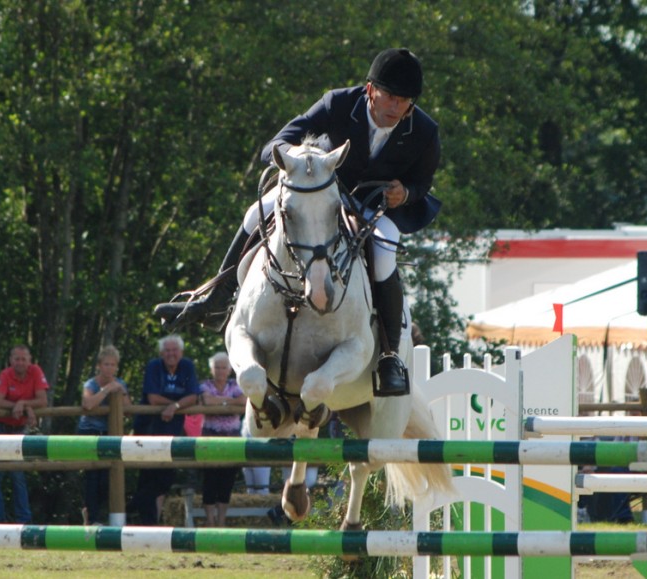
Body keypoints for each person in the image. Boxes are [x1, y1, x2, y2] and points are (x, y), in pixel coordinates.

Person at [154, 48, 441, 397]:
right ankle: (215, 299)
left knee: (384, 253)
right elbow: (277, 143)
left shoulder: (424, 130)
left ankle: (389, 355)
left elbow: (423, 181)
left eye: (404, 101)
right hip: (317, 194)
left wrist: (406, 193)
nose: (396, 107)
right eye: (390, 97)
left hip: (372, 206)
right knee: (253, 213)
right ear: (370, 90)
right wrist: (299, 161)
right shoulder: (337, 103)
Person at [130, 335, 199, 525]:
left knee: (165, 478)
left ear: (181, 352)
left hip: (172, 429)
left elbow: (193, 396)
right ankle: (146, 521)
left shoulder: (187, 366)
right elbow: (152, 398)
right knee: (148, 476)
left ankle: (138, 509)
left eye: (174, 350)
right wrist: (176, 405)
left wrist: (174, 407)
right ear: (161, 353)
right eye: (167, 350)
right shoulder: (154, 366)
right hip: (149, 428)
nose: (171, 354)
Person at [0, 344, 49, 524]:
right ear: (10, 360)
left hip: (18, 429)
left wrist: (23, 404)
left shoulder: (35, 371)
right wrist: (22, 406)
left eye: (23, 359)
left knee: (18, 475)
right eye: (17, 359)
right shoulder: (5, 374)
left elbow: (43, 400)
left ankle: (24, 520)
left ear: (29, 360)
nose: (20, 362)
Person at [76, 345, 130, 525]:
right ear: (99, 365)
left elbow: (128, 409)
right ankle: (92, 519)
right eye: (106, 364)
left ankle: (106, 517)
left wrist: (121, 391)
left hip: (110, 433)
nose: (109, 368)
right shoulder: (90, 384)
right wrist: (106, 390)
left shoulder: (119, 384)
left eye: (113, 365)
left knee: (107, 478)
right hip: (89, 432)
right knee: (92, 476)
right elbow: (88, 404)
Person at [197, 352, 247, 527]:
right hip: (210, 439)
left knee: (227, 480)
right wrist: (230, 401)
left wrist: (220, 402)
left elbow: (244, 400)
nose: (220, 371)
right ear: (212, 369)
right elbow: (207, 401)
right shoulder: (205, 385)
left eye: (223, 367)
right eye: (217, 367)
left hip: (232, 440)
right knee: (210, 480)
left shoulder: (236, 384)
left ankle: (221, 521)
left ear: (229, 369)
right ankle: (210, 521)